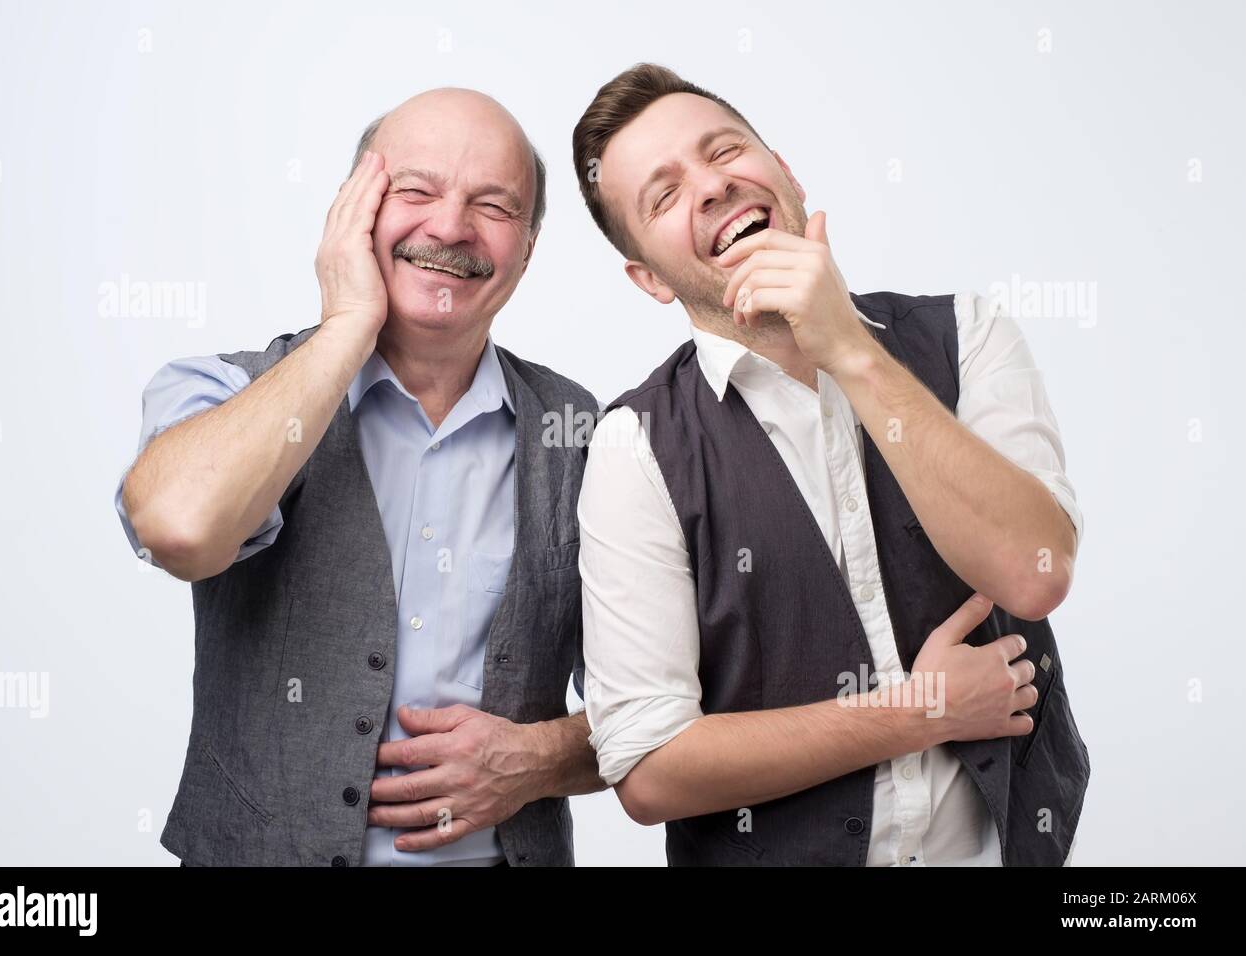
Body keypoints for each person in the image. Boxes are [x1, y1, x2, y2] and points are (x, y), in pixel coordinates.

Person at [571, 63, 1088, 865]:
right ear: (647, 279)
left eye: (725, 150)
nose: (710, 186)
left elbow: (1036, 572)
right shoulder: (634, 446)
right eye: (664, 195)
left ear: (786, 173)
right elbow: (649, 767)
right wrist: (921, 712)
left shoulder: (969, 334)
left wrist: (849, 349)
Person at [116, 88, 604, 867]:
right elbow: (179, 528)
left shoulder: (585, 433)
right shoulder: (222, 391)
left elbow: (663, 706)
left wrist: (542, 756)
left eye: (494, 205)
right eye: (414, 191)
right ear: (353, 211)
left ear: (530, 245)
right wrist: (348, 324)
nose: (449, 227)